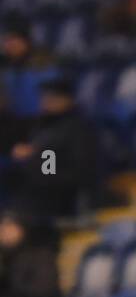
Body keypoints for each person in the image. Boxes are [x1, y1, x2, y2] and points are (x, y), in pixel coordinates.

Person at [7, 77, 99, 220]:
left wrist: (36, 156)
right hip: (37, 187)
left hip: (62, 194)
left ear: (67, 100)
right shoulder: (41, 124)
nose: (46, 101)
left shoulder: (78, 128)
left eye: (53, 97)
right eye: (45, 96)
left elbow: (78, 169)